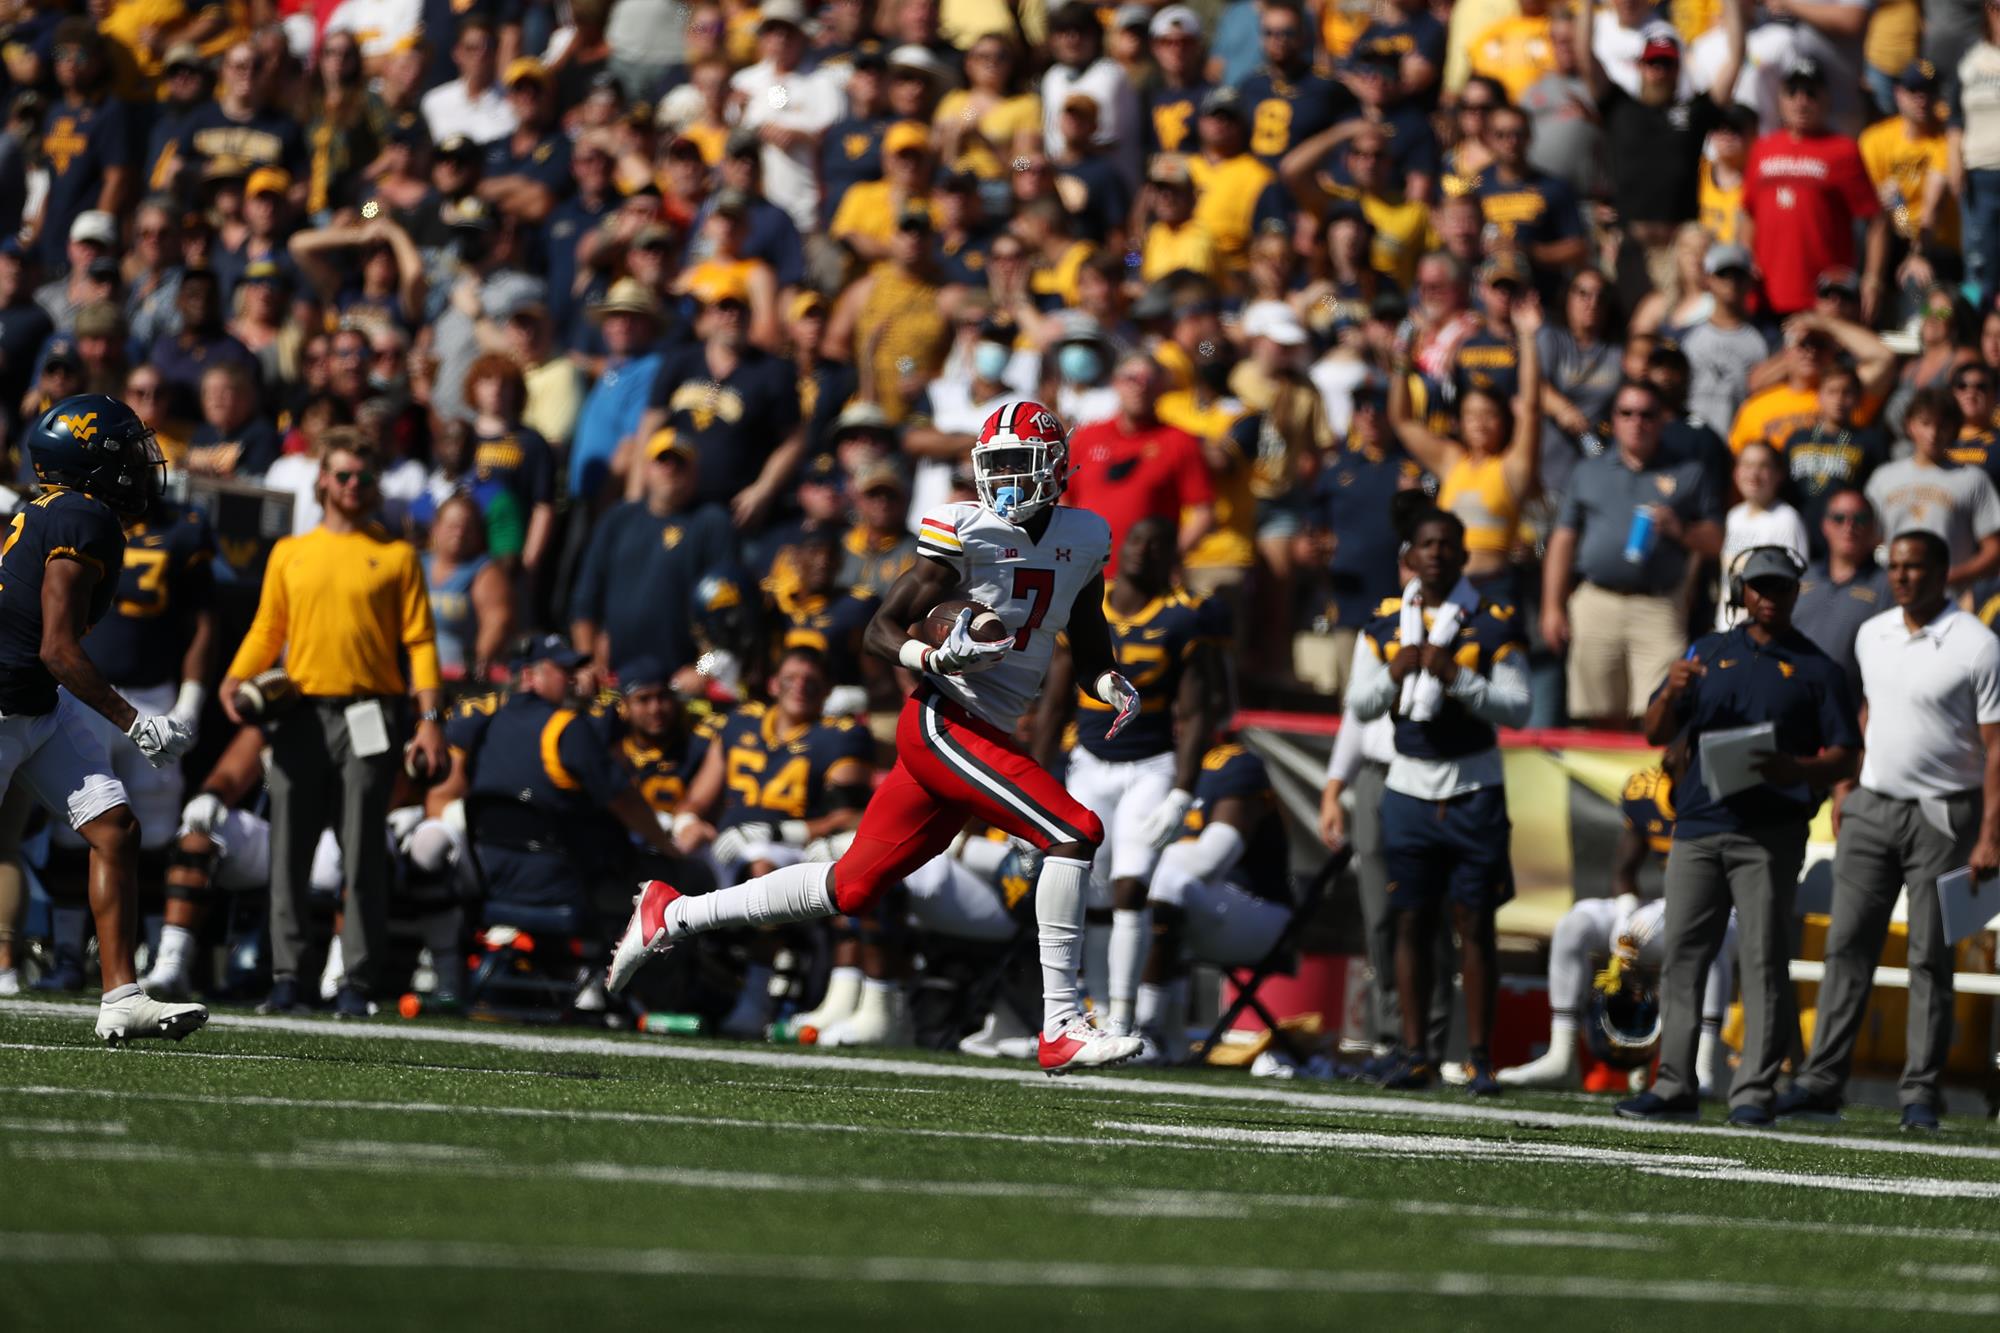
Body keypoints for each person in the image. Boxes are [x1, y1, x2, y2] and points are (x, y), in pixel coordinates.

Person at [607, 400, 1148, 1075]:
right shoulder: (967, 529)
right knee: (1074, 830)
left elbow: (1088, 630)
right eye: (996, 465)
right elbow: (881, 628)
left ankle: (671, 913)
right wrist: (935, 657)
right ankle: (1062, 1021)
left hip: (985, 728)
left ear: (1056, 467)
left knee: (849, 886)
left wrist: (1108, 681)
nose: (1006, 479)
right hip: (944, 720)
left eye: (1020, 464)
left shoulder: (1085, 535)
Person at [1618, 546, 1860, 1125]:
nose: (1768, 598)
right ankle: (1675, 1082)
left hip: (1769, 832)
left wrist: (1796, 771)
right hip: (1700, 825)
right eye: (1758, 587)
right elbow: (1656, 732)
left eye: (1779, 588)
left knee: (1763, 959)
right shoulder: (1705, 652)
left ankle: (1753, 1090)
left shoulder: (1818, 669)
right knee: (1682, 956)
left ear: (1797, 592)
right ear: (1740, 592)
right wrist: (1673, 692)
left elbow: (1847, 755)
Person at [1776, 529, 2000, 1132]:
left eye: (1914, 567)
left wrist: (1990, 835)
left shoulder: (1977, 645)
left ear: (1942, 570)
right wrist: (1847, 786)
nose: (1901, 577)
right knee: (1847, 944)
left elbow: (1996, 746)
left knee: (1932, 954)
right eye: (1894, 567)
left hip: (1944, 812)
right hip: (1873, 804)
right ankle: (1821, 1082)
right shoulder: (1871, 632)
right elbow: (1869, 709)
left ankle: (1921, 1092)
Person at [220, 439, 448, 1017]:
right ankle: (287, 976)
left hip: (371, 711)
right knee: (288, 848)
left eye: (364, 477)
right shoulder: (291, 552)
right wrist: (236, 677)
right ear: (323, 480)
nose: (353, 485)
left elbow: (420, 641)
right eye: (344, 475)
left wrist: (428, 719)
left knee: (364, 849)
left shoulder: (397, 555)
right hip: (299, 710)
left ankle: (356, 980)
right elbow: (268, 627)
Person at [0, 395, 200, 1041]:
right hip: (11, 698)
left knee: (113, 826)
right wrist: (135, 721)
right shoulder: (85, 516)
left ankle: (121, 995)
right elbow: (58, 648)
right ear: (93, 461)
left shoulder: (54, 511)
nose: (142, 467)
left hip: (34, 701)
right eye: (127, 453)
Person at [1347, 504, 1530, 1094]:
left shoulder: (1496, 620)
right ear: (1410, 553)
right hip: (1407, 786)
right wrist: (1395, 674)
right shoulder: (1382, 621)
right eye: (1426, 544)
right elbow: (1360, 706)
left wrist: (1458, 679)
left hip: (1473, 786)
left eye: (1447, 545)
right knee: (1410, 922)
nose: (1436, 554)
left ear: (1463, 554)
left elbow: (1518, 707)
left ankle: (1478, 1055)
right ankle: (1414, 1051)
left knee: (1474, 924)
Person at [1038, 517, 1222, 1038]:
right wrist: (1031, 777)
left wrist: (1183, 790)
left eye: (1157, 542)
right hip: (1089, 761)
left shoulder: (1183, 618)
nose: (1144, 550)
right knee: (1087, 889)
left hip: (1150, 765)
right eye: (1137, 539)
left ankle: (1123, 1014)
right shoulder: (1084, 602)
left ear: (1170, 555)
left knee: (1130, 887)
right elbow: (1054, 706)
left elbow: (1197, 713)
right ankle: (1092, 1010)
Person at [669, 645, 874, 1035]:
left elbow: (849, 817)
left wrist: (776, 832)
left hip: (792, 846)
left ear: (827, 690)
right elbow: (698, 797)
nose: (800, 688)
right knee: (667, 855)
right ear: (772, 683)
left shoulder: (840, 737)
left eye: (811, 683)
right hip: (728, 842)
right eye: (791, 679)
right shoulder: (739, 724)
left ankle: (757, 997)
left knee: (761, 865)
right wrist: (687, 822)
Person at [1499, 764, 1736, 1096]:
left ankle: (1702, 1066)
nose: (1670, 749)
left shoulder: (1725, 791)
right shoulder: (1647, 789)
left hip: (1722, 904)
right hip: (1665, 909)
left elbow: (1727, 878)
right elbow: (1624, 868)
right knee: (1576, 922)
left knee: (1711, 933)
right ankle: (1562, 1056)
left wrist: (1659, 914)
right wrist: (1626, 915)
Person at [431, 634, 681, 937]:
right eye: (563, 671)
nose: (572, 679)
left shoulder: (489, 723)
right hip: (561, 879)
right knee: (673, 880)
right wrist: (668, 847)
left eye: (663, 697)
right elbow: (623, 800)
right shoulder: (566, 727)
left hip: (496, 875)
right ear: (529, 676)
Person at [1543, 378, 1724, 728]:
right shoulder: (1587, 471)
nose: (1636, 422)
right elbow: (1563, 539)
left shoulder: (1689, 472)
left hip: (1659, 606)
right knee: (1597, 715)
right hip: (1596, 601)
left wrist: (1681, 530)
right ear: (1613, 418)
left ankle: (1650, 785)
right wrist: (1552, 606)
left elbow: (1716, 540)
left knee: (1660, 713)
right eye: (1626, 413)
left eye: (1646, 414)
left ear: (1661, 420)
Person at [1135, 737, 1296, 1062]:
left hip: (1257, 912)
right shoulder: (1150, 760)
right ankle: (1170, 1037)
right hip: (1201, 908)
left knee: (1154, 882)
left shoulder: (1234, 764)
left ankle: (1143, 1027)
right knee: (1132, 890)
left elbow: (1211, 860)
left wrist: (1134, 861)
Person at [572, 432, 739, 676]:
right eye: (662, 460)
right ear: (647, 469)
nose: (670, 469)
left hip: (675, 688)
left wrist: (702, 671)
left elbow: (728, 615)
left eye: (680, 463)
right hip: (614, 678)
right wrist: (587, 663)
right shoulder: (618, 519)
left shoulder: (712, 523)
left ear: (695, 472)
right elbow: (584, 601)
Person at [1744, 56, 1880, 317]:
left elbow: (1877, 219)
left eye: (1810, 93)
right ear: (1780, 99)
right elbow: (1747, 213)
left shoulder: (1844, 150)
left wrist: (1872, 279)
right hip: (1765, 295)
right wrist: (1747, 258)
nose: (1801, 101)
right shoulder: (1762, 148)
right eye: (1792, 92)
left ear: (1825, 98)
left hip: (1826, 300)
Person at [1064, 356, 1215, 556]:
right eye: (1131, 379)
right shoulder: (1086, 437)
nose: (1140, 387)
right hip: (1087, 571)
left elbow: (1203, 512)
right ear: (1116, 383)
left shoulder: (1179, 441)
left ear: (1160, 387)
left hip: (1148, 580)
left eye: (1149, 380)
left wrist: (1171, 558)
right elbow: (1062, 500)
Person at [1867, 386, 2000, 591]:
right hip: (1891, 595)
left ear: (1954, 428)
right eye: (1925, 423)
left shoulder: (1973, 479)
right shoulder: (1883, 477)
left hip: (1949, 598)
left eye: (1942, 426)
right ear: (1910, 426)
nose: (1933, 433)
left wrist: (1954, 576)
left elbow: (1993, 549)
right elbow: (1869, 539)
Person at [1793, 489, 1889, 702]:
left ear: (1873, 527)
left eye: (1860, 518)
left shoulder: (1888, 585)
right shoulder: (1802, 578)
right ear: (1824, 526)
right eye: (1839, 518)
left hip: (1850, 712)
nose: (1849, 526)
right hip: (1794, 703)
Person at [1718, 441, 1811, 629]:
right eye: (1747, 465)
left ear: (1779, 475)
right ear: (1736, 473)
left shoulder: (1786, 519)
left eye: (1763, 466)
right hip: (1728, 628)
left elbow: (1797, 584)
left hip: (1763, 634)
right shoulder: (1734, 516)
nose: (1754, 474)